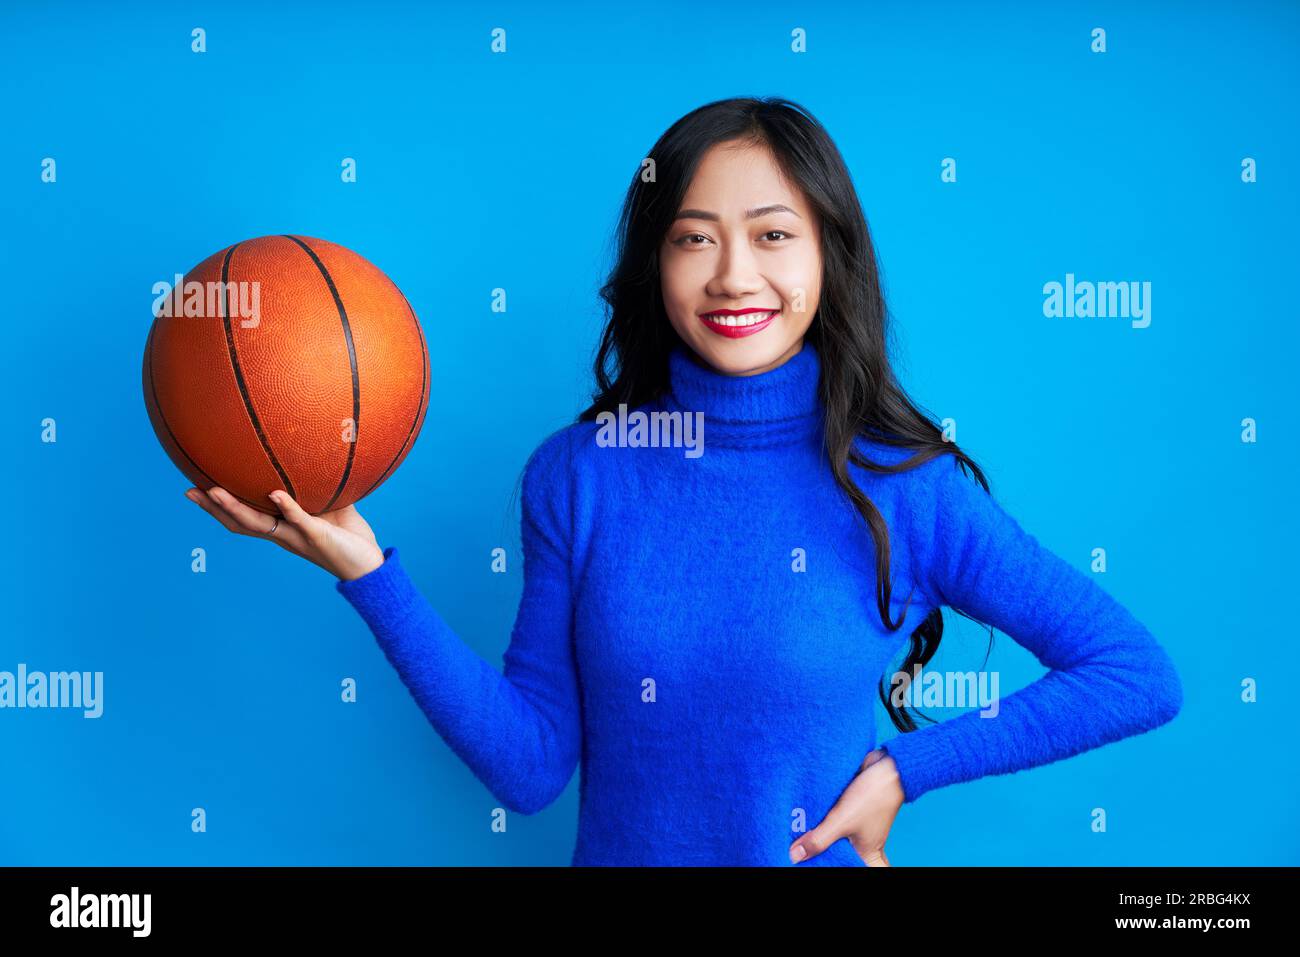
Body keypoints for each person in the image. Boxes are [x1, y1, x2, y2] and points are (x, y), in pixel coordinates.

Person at [185, 96, 1183, 866]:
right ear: (655, 262)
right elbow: (530, 768)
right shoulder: (579, 476)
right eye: (694, 237)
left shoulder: (905, 488)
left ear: (829, 256)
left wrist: (905, 769)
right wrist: (368, 573)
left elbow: (1133, 673)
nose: (733, 275)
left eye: (773, 234)